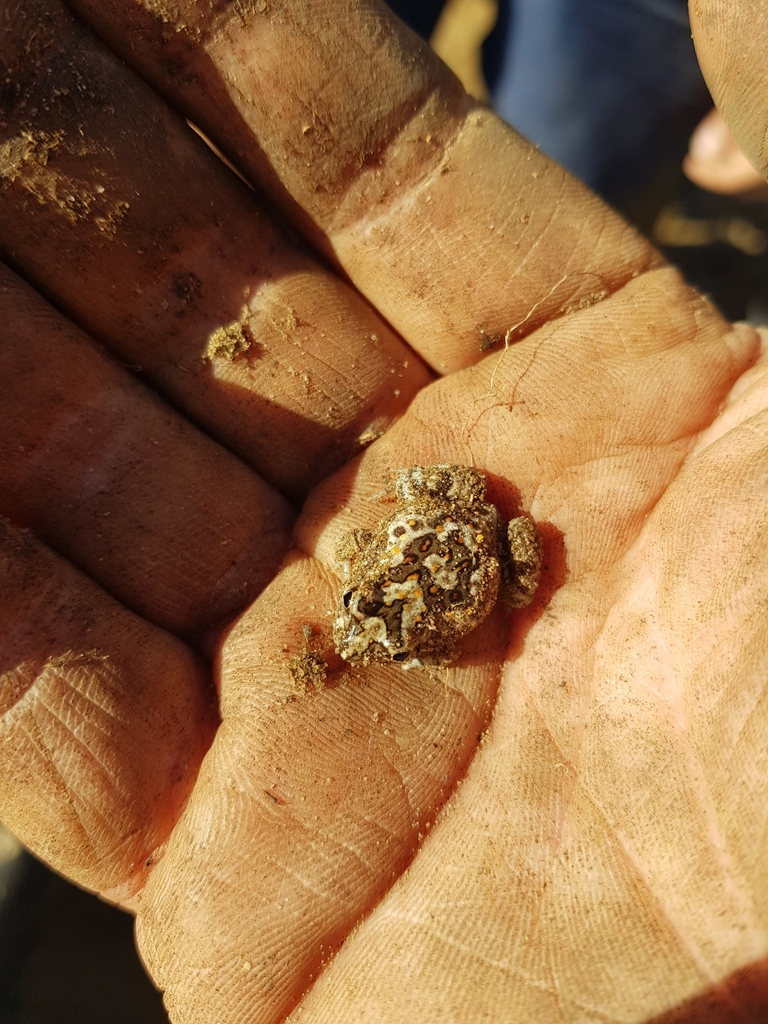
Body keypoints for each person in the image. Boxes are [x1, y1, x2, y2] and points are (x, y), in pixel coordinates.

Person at [1, 2, 766, 1023]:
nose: (356, 624)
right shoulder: (383, 602)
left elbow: (423, 555)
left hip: (460, 553)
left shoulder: (406, 606)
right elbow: (397, 559)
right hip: (453, 553)